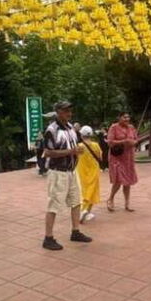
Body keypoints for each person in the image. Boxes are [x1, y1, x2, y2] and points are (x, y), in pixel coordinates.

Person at [41, 101, 93, 250]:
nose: (69, 113)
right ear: (57, 111)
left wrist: (77, 150)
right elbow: (48, 152)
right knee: (54, 204)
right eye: (65, 111)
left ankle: (75, 231)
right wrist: (71, 152)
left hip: (71, 171)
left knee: (76, 201)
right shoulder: (52, 130)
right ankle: (48, 237)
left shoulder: (70, 128)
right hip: (58, 172)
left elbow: (75, 146)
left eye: (70, 110)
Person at [106, 111, 138, 212]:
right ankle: (110, 199)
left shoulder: (131, 127)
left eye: (128, 117)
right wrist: (124, 141)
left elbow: (136, 139)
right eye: (124, 117)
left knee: (127, 181)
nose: (127, 119)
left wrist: (133, 142)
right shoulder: (113, 127)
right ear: (119, 118)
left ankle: (127, 203)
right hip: (117, 158)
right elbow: (110, 143)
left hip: (128, 158)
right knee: (118, 180)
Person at [77, 126, 103, 223]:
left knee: (83, 191)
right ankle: (86, 211)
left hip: (82, 172)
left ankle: (83, 210)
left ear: (81, 135)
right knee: (92, 191)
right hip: (94, 171)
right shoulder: (96, 145)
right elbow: (100, 158)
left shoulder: (79, 146)